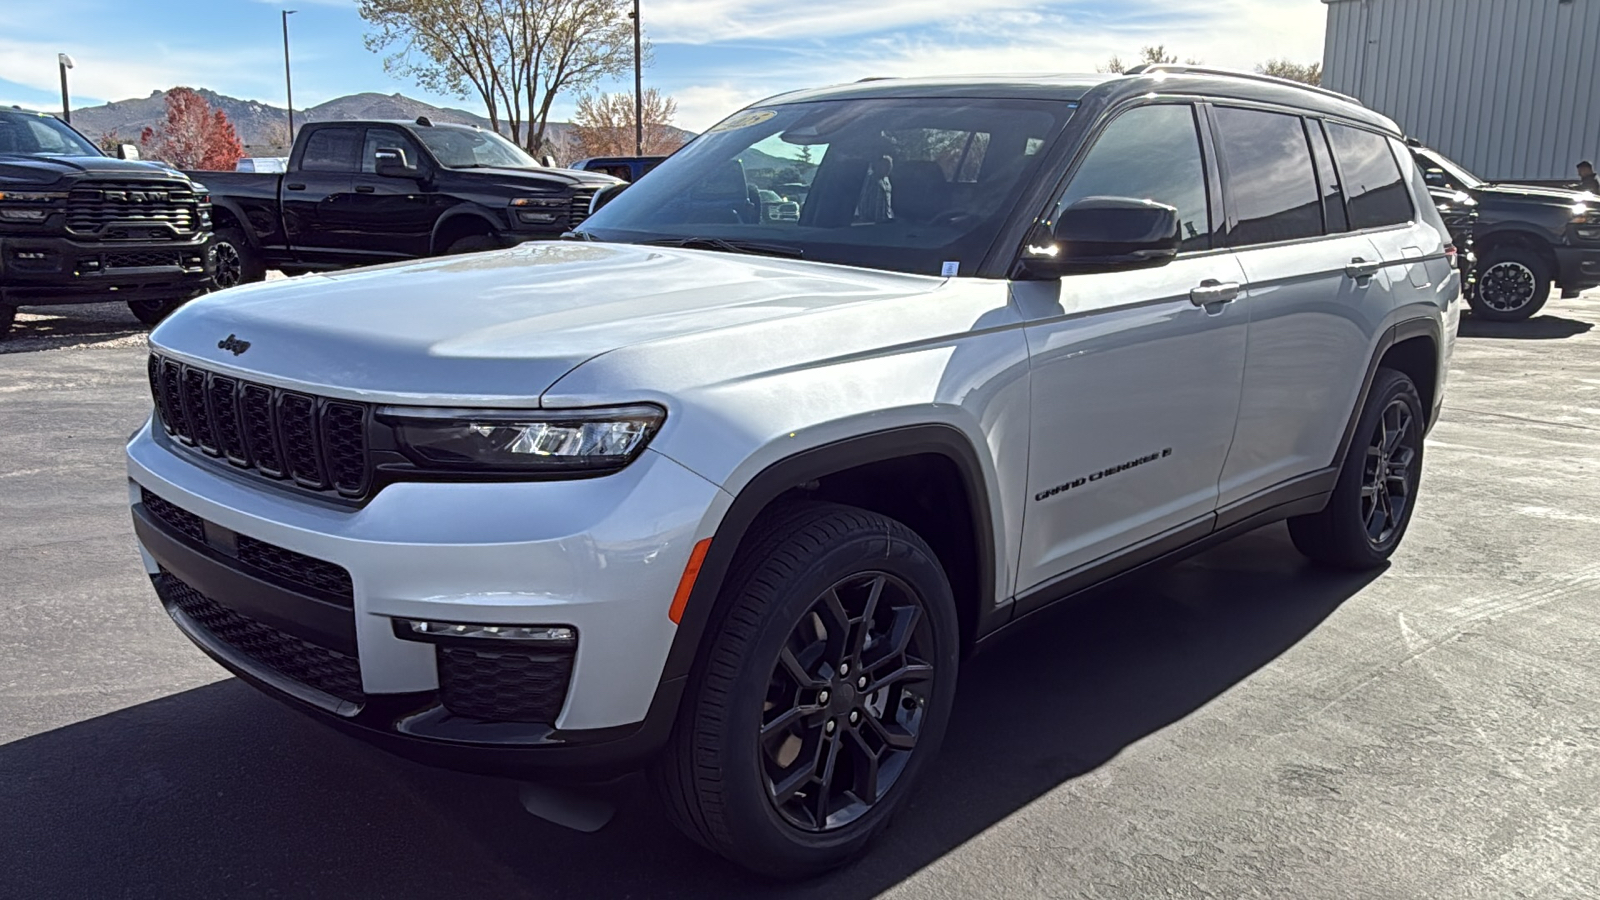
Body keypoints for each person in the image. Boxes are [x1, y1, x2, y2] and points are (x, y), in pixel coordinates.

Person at [856, 155, 894, 223]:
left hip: (885, 220)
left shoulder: (886, 180)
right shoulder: (871, 179)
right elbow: (863, 198)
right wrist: (865, 218)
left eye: (889, 166)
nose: (888, 168)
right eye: (885, 166)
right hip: (872, 222)